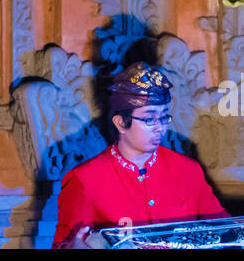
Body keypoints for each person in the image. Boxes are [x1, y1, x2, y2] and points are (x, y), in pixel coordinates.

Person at [54, 62, 226, 248]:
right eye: (149, 119)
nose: (160, 127)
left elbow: (224, 229)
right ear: (120, 123)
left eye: (163, 117)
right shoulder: (85, 180)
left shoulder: (187, 169)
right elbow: (64, 243)